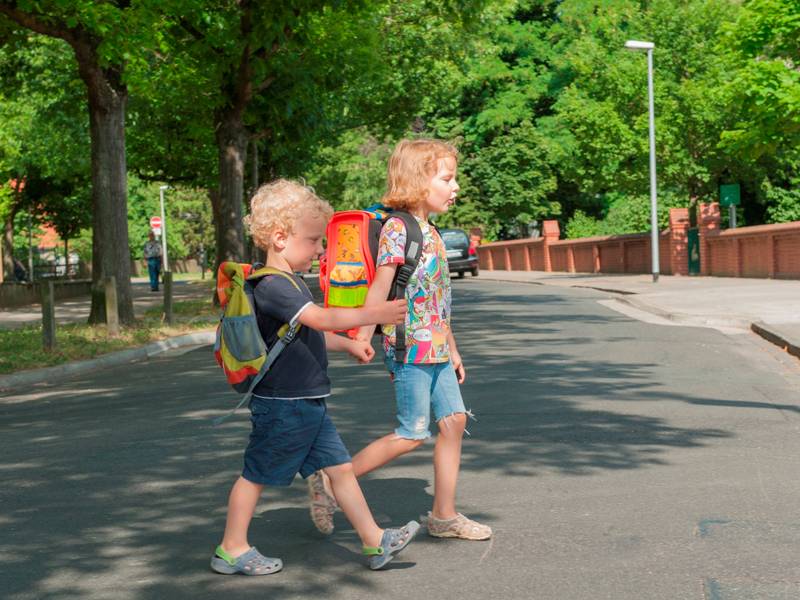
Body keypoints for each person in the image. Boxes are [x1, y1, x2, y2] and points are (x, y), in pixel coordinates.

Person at [210, 179, 419, 576]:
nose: (321, 250)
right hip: (283, 404)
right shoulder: (273, 285)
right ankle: (231, 548)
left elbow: (308, 332)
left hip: (307, 402)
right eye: (313, 241)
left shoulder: (289, 284)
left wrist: (350, 344)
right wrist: (373, 315)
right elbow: (320, 318)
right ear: (280, 237)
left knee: (340, 469)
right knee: (255, 476)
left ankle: (375, 541)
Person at [308, 139, 492, 542]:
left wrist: (454, 349)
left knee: (455, 422)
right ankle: (332, 478)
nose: (455, 185)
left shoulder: (433, 232)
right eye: (447, 178)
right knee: (412, 432)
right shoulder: (398, 229)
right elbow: (381, 286)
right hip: (409, 347)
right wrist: (360, 334)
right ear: (417, 181)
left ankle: (443, 515)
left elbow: (438, 300)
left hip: (437, 347)